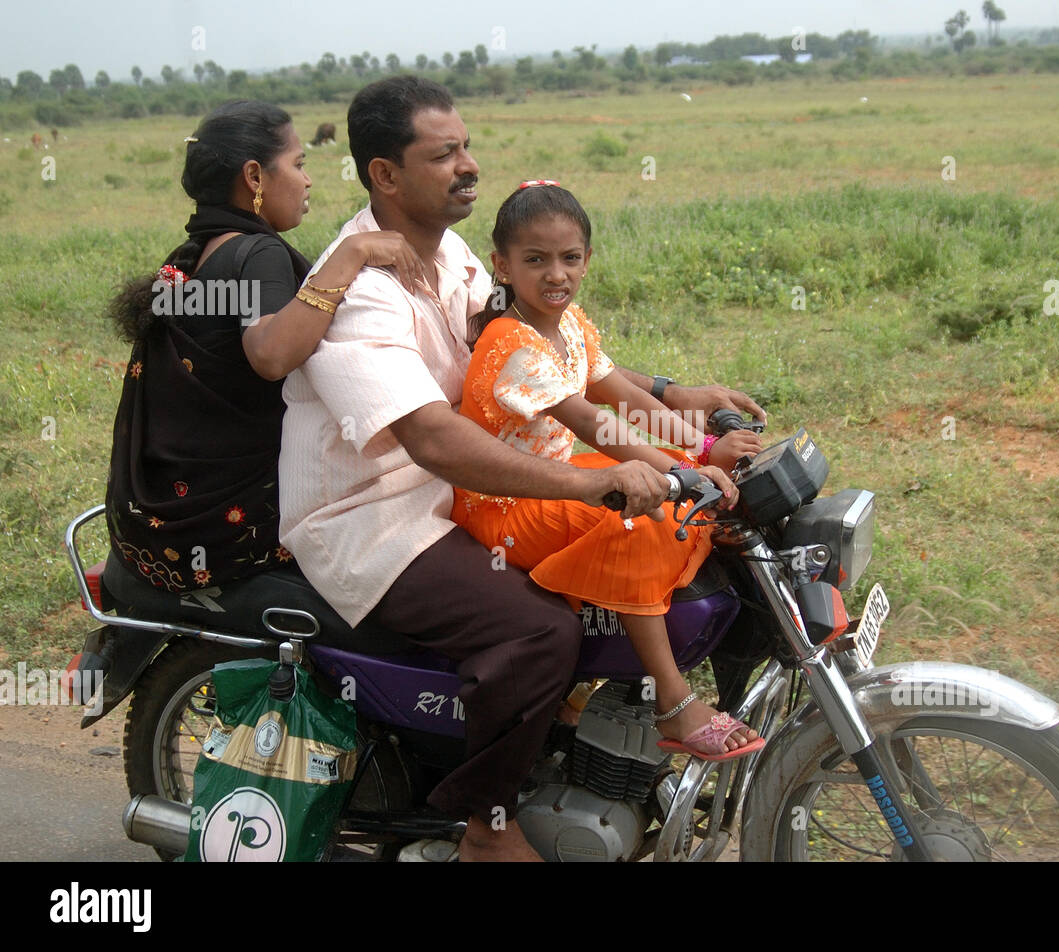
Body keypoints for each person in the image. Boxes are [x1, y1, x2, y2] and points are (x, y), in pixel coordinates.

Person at [277, 76, 766, 860]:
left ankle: (577, 748)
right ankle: (486, 828)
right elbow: (433, 441)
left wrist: (679, 402)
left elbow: (557, 367)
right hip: (375, 520)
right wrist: (590, 480)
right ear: (386, 174)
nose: (469, 166)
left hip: (460, 494)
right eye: (445, 154)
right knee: (540, 629)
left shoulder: (458, 260)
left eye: (467, 146)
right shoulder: (364, 293)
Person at [453, 181, 765, 760]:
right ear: (501, 265)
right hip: (502, 505)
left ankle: (591, 682)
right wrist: (685, 472)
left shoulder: (567, 325)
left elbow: (620, 396)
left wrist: (699, 450)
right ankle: (672, 702)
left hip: (554, 475)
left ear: (587, 260)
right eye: (535, 260)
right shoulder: (511, 342)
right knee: (645, 518)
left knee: (681, 505)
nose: (556, 275)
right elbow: (593, 424)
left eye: (570, 258)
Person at [104, 100, 426, 592]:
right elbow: (271, 354)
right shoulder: (258, 253)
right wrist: (352, 251)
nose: (307, 180)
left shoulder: (195, 256)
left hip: (164, 521)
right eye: (298, 164)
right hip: (227, 527)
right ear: (254, 177)